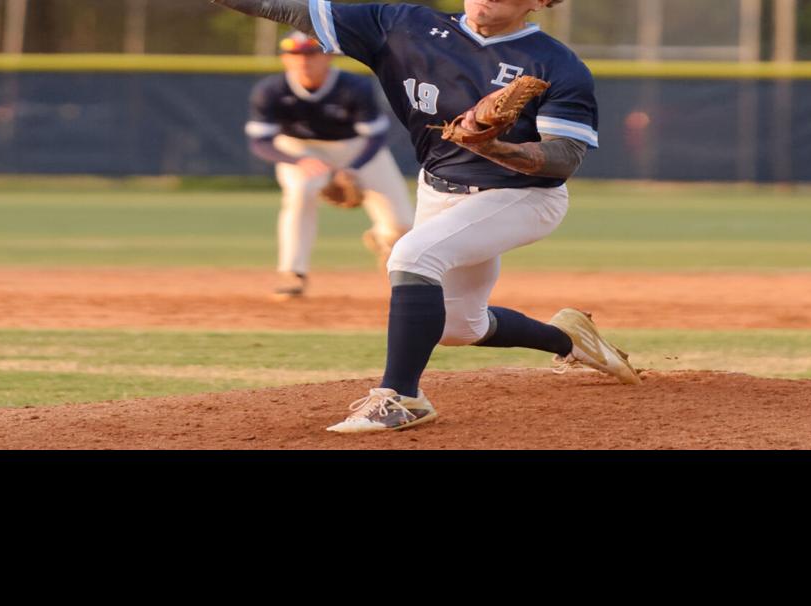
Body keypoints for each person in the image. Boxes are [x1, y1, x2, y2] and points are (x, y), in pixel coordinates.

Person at [211, 0, 639, 434]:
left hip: (522, 196)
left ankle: (401, 397)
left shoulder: (556, 63)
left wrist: (494, 148)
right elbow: (284, 8)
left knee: (412, 255)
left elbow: (564, 156)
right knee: (458, 326)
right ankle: (568, 338)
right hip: (437, 188)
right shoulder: (401, 25)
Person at [247, 29, 415, 300]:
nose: (303, 61)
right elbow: (261, 142)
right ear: (285, 59)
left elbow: (374, 137)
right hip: (300, 150)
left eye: (311, 54)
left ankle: (383, 240)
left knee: (402, 224)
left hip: (357, 148)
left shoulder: (353, 86)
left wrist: (353, 168)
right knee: (300, 193)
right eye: (294, 54)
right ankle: (292, 272)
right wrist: (297, 160)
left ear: (328, 56)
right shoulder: (271, 90)